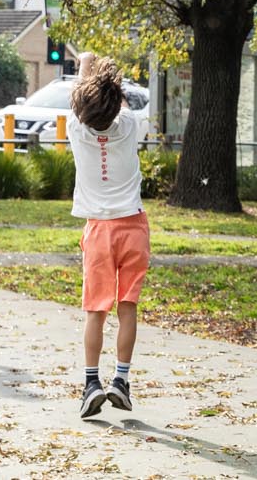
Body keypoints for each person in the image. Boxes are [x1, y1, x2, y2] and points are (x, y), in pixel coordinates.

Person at [69, 51, 149, 419]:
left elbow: (79, 96)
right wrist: (106, 75)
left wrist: (85, 63)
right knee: (127, 306)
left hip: (98, 230)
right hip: (132, 226)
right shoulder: (130, 125)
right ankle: (121, 379)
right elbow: (118, 101)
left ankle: (90, 384)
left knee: (95, 311)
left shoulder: (76, 130)